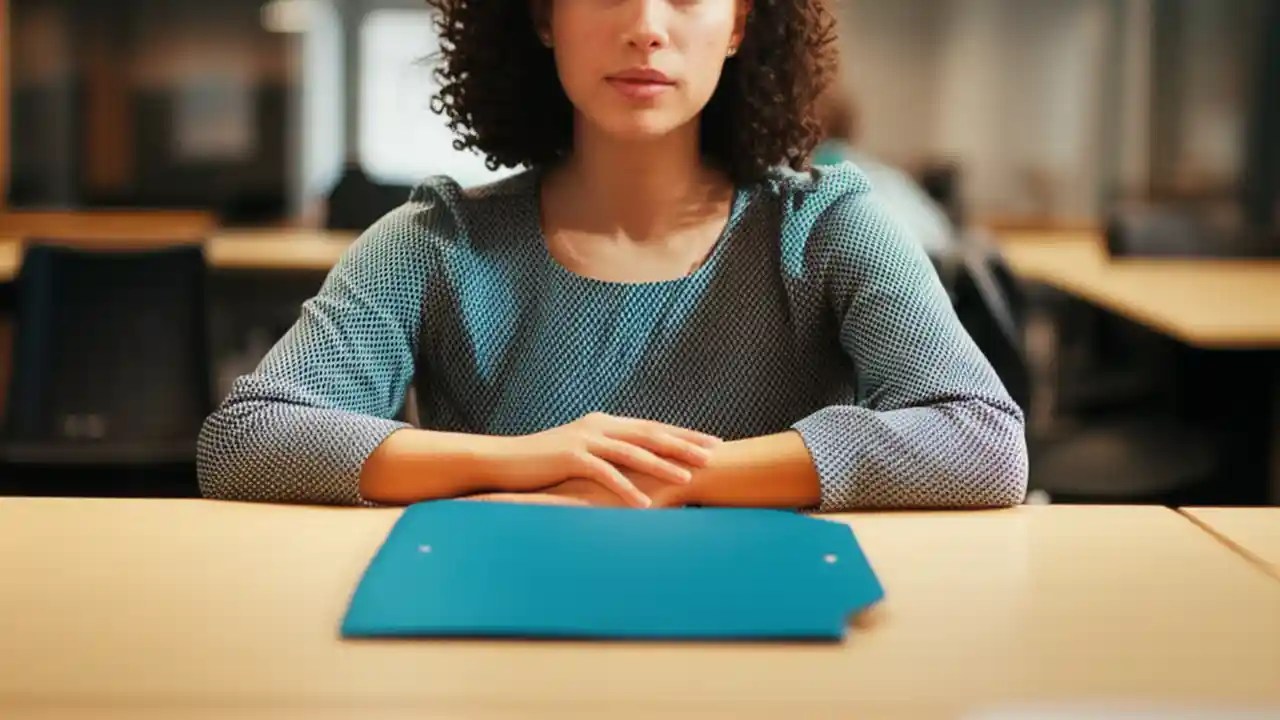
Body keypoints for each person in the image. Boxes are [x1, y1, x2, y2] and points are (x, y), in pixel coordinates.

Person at [197, 0, 1027, 511]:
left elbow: (984, 441)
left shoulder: (829, 226)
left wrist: (691, 476)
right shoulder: (432, 244)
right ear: (540, 15)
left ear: (739, 21)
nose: (644, 28)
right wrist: (527, 461)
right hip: (502, 633)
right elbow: (246, 438)